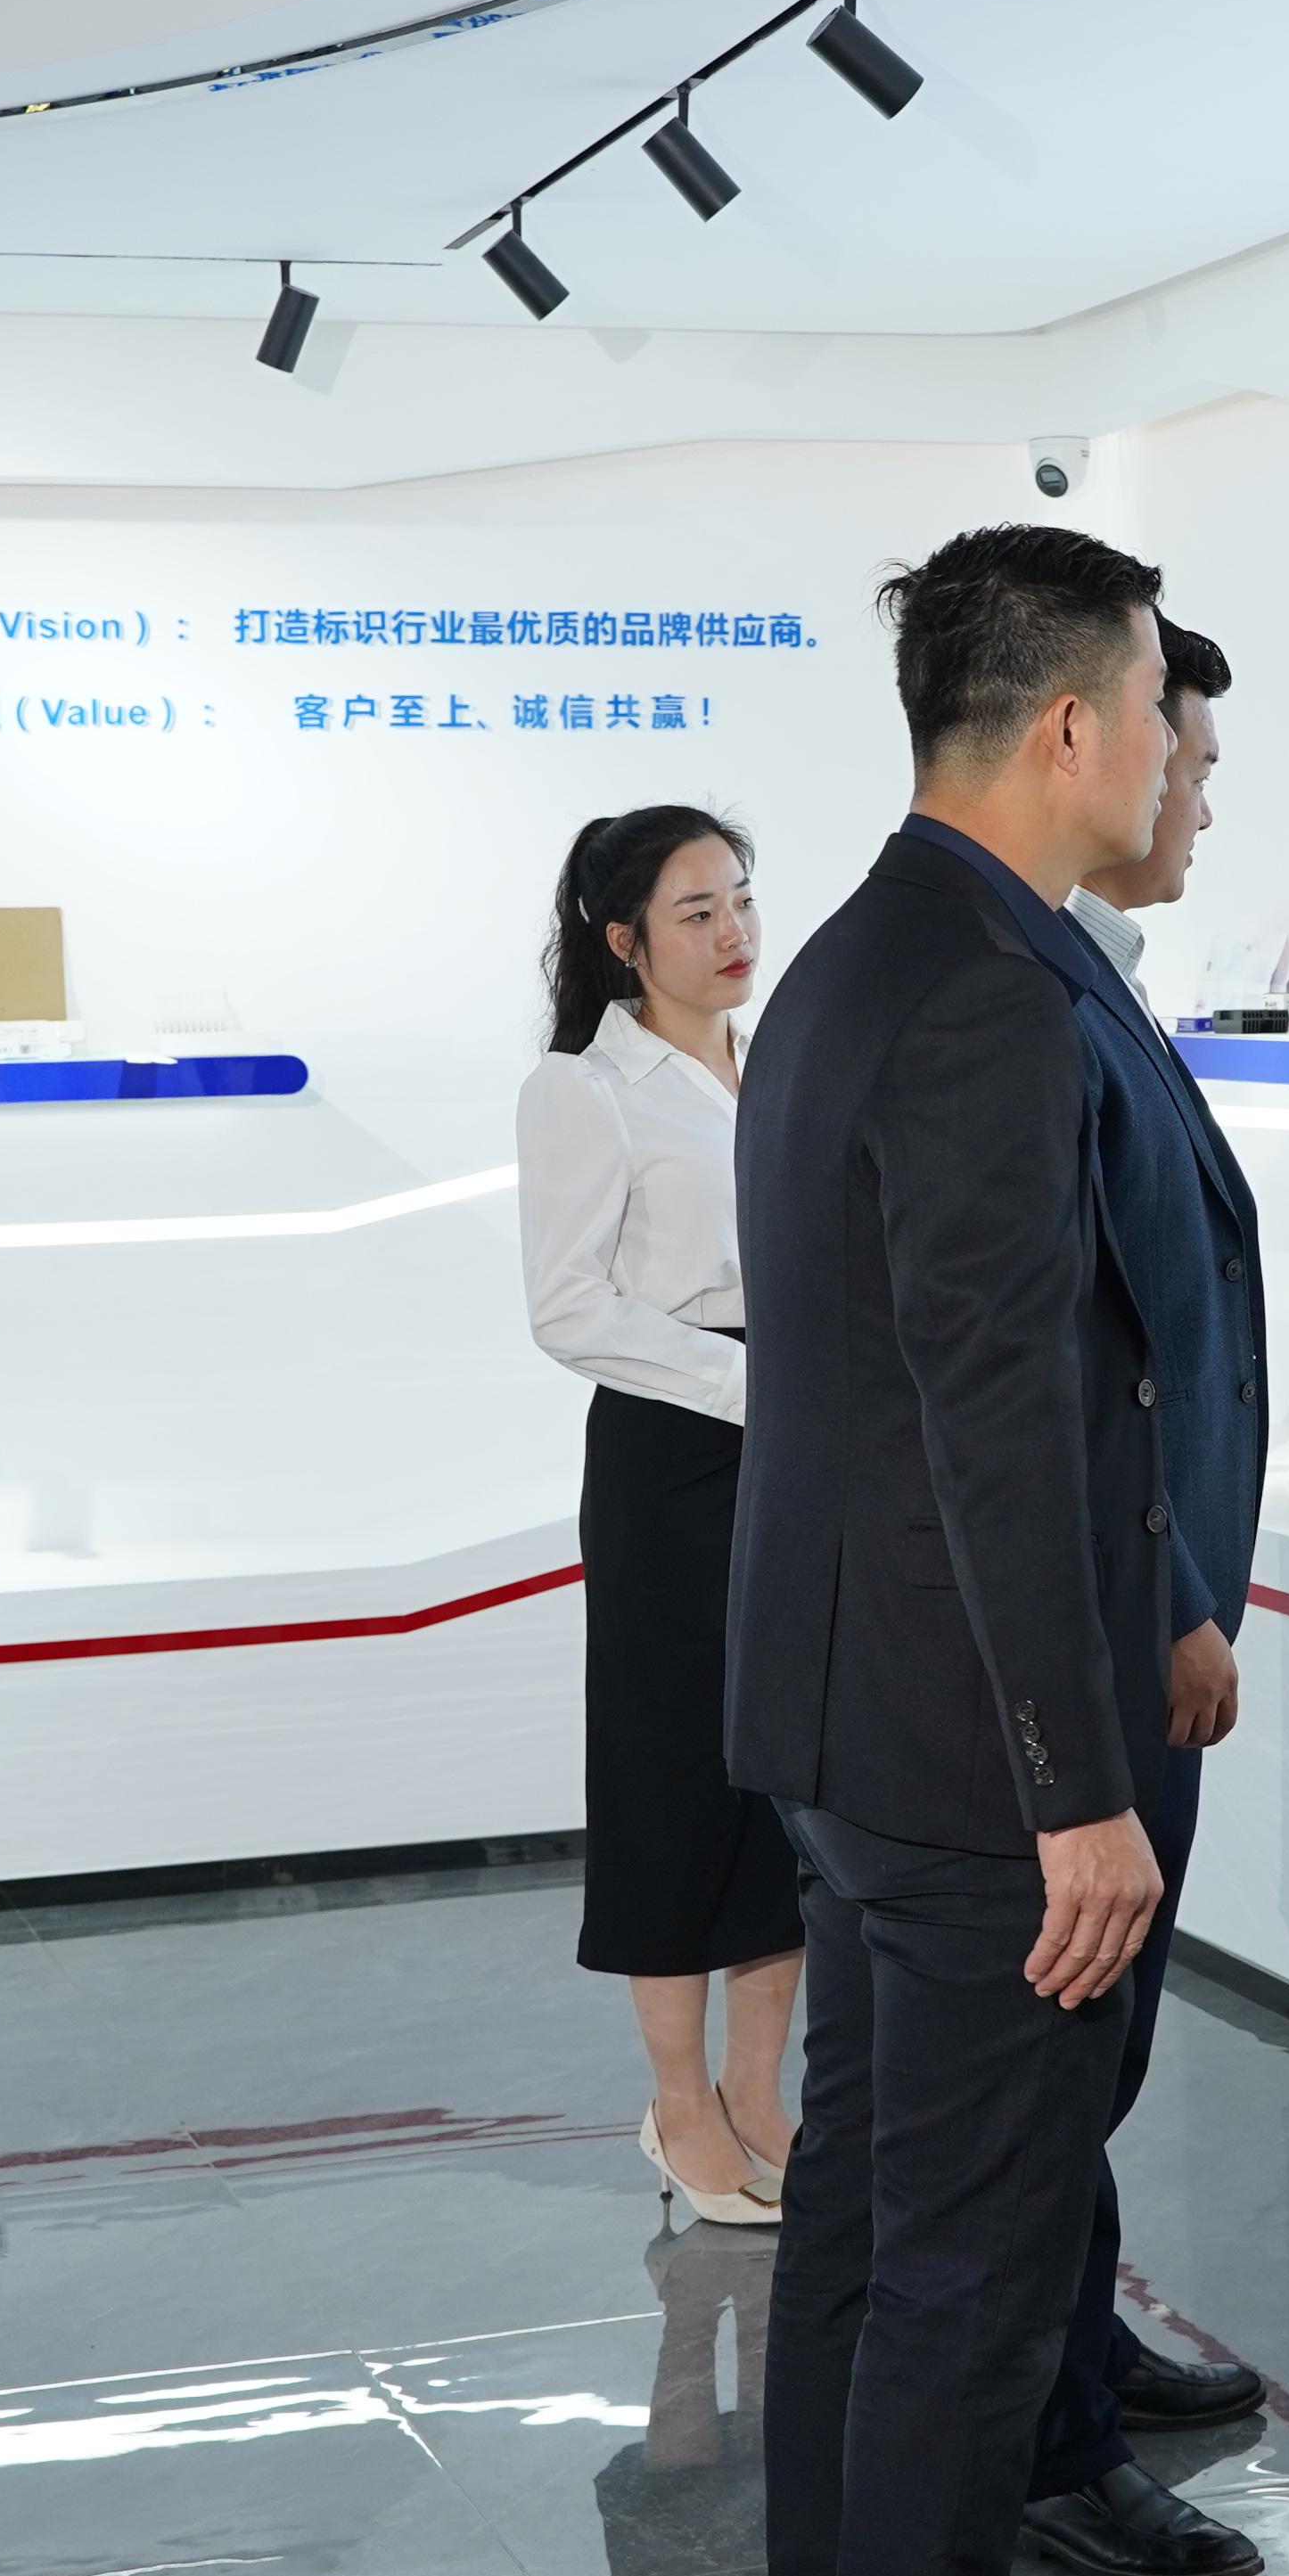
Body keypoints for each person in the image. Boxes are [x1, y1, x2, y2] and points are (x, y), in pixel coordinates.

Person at [726, 529, 1220, 2576]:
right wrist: (1076, 1789)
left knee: (863, 2221)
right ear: (1068, 726)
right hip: (961, 1754)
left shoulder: (867, 948)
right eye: (1154, 711)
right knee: (965, 2267)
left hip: (851, 1714)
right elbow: (991, 1423)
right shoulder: (988, 993)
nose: (1171, 757)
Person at [1017, 607, 1277, 2576]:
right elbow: (1058, 1371)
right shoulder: (1022, 991)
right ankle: (1050, 2446)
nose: (1195, 794)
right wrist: (1178, 1587)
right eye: (1182, 754)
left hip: (1141, 1594)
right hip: (1100, 1614)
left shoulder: (1096, 968)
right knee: (1053, 2055)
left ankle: (1076, 2348)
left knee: (1097, 2053)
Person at [515, 805, 797, 2234]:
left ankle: (762, 2093)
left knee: (791, 1771)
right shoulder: (584, 1089)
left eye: (739, 898)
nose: (733, 931)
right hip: (675, 1453)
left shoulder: (781, 1062)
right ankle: (681, 2102)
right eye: (697, 911)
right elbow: (569, 1308)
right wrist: (754, 1387)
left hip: (803, 1443)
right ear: (624, 939)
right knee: (674, 1775)